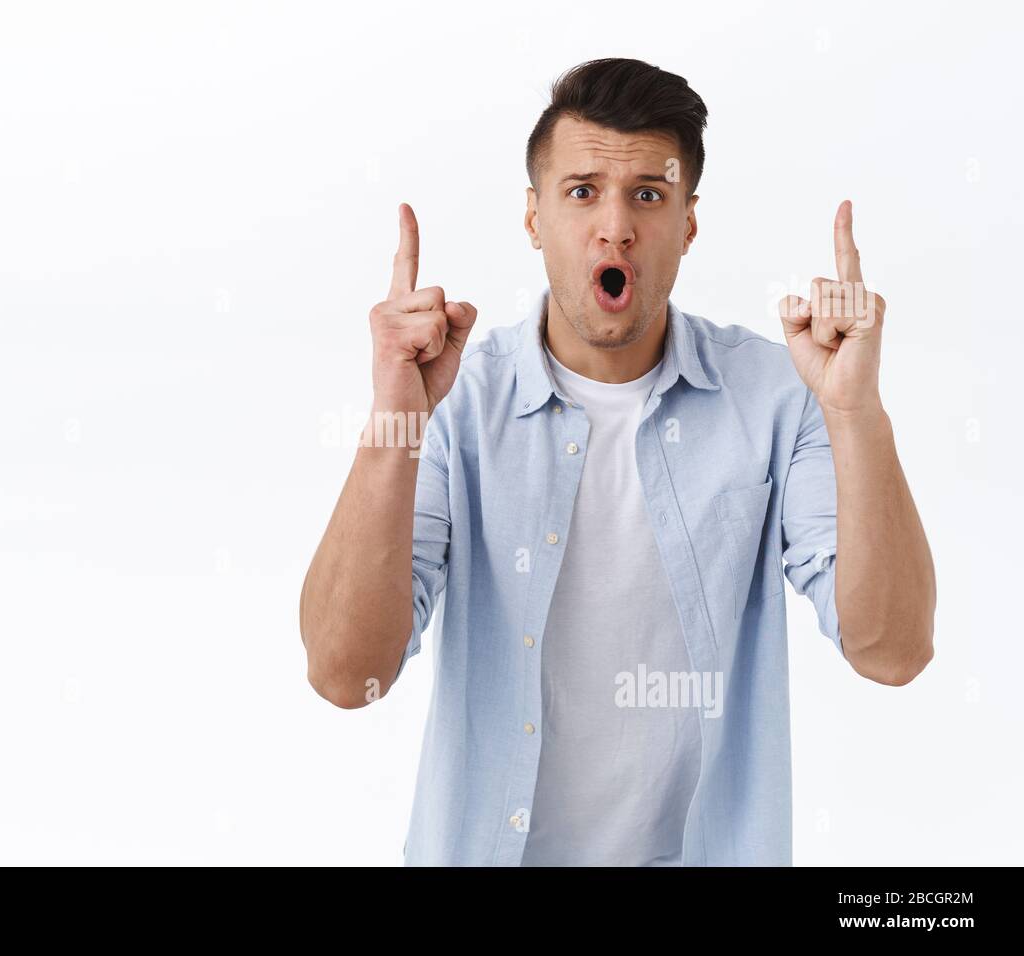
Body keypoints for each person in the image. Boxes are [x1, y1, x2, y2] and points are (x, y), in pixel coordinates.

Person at [297, 57, 935, 866]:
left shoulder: (781, 397)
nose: (615, 227)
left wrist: (855, 412)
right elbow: (343, 674)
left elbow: (894, 651)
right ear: (533, 218)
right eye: (581, 191)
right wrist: (395, 420)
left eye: (648, 193)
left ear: (689, 223)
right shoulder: (456, 401)